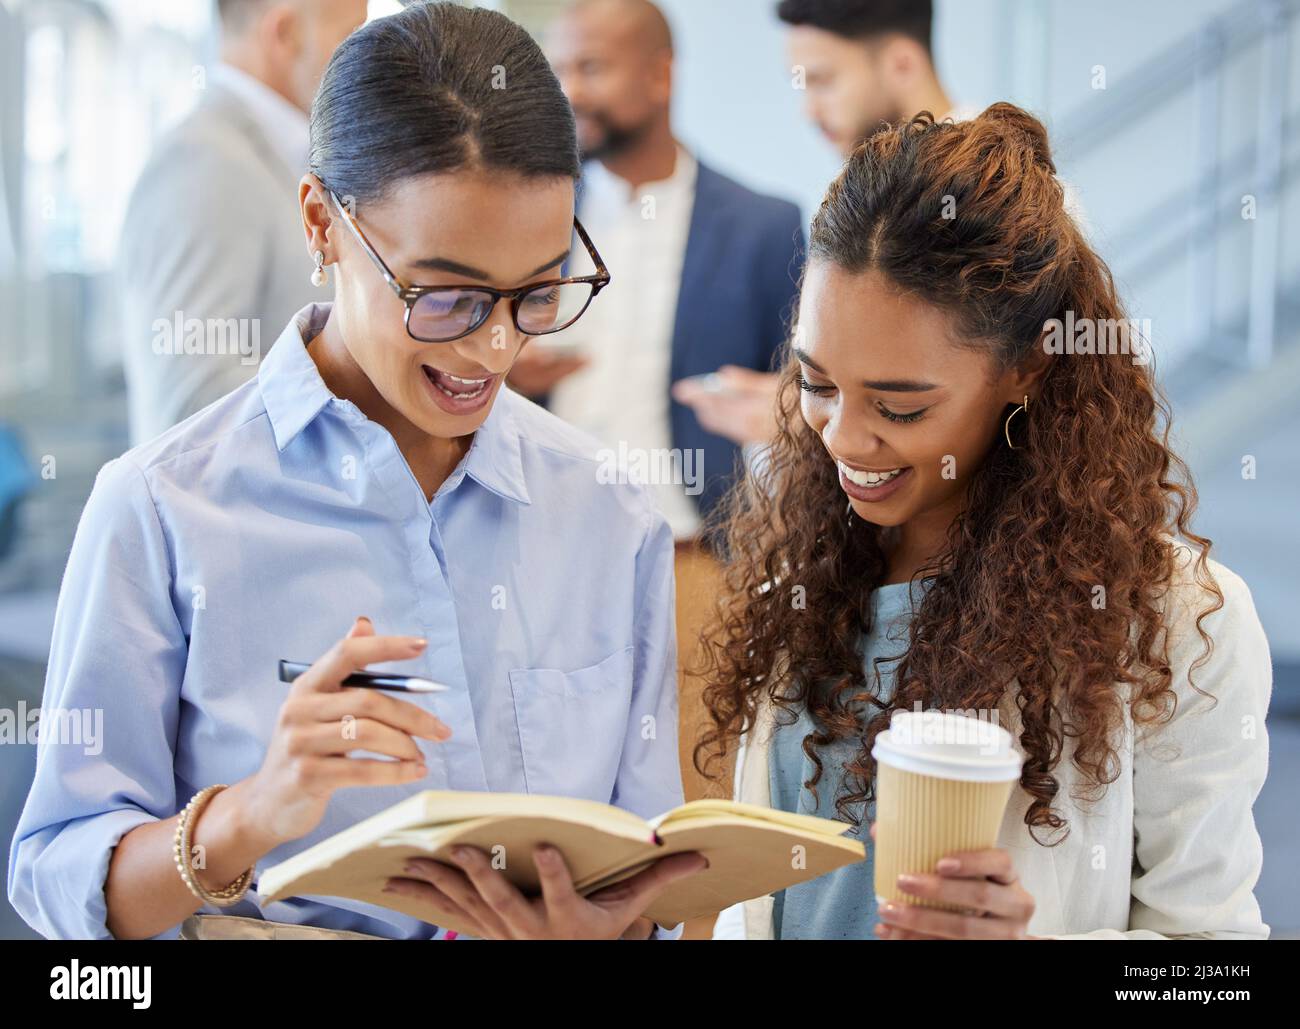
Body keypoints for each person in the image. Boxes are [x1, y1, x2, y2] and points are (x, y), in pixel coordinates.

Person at [10, 1, 705, 941]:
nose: (494, 349)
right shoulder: (161, 508)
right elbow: (59, 886)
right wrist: (249, 813)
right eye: (447, 295)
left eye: (538, 292)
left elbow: (654, 885)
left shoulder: (609, 511)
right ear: (322, 224)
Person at [698, 104, 1272, 940]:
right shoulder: (808, 573)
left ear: (1028, 366)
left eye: (899, 404)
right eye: (817, 383)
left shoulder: (1174, 621)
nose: (844, 439)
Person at [532, 0, 806, 818]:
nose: (568, 90)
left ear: (661, 75)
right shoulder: (531, 212)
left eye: (592, 68)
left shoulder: (764, 226)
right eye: (558, 71)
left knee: (696, 803)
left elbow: (798, 413)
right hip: (540, 555)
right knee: (552, 798)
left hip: (698, 564)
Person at [119, 0, 367, 445]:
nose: (362, 60)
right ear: (285, 34)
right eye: (351, 35)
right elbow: (193, 402)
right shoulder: (203, 162)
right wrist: (385, 402)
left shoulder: (283, 153)